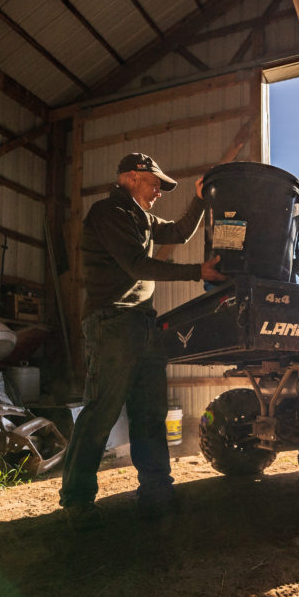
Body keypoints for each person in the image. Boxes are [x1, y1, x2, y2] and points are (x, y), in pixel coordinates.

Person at [60, 152, 225, 530]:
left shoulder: (143, 218)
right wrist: (196, 272)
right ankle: (77, 498)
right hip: (112, 322)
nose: (159, 192)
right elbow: (137, 265)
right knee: (101, 410)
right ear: (132, 177)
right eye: (155, 184)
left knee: (150, 413)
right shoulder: (110, 214)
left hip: (142, 324)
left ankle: (156, 493)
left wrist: (200, 198)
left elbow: (181, 232)